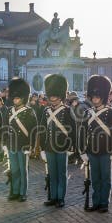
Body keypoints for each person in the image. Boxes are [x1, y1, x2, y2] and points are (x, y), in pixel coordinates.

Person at [84, 75, 112, 213]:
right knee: (95, 179)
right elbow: (84, 132)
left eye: (97, 97)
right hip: (92, 150)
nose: (95, 99)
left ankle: (104, 203)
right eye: (93, 97)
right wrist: (83, 150)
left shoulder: (110, 112)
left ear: (102, 97)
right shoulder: (88, 113)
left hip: (105, 150)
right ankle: (96, 201)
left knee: (105, 178)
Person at [41, 74, 76, 208]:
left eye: (55, 96)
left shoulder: (67, 111)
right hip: (49, 147)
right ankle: (53, 196)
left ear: (60, 96)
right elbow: (42, 130)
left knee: (61, 174)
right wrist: (42, 148)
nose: (53, 98)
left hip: (62, 147)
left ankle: (60, 198)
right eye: (51, 96)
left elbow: (72, 130)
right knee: (52, 173)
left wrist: (71, 147)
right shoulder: (46, 111)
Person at [5, 77, 37, 202]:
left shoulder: (29, 112)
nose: (15, 99)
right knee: (14, 170)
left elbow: (34, 130)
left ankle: (23, 192)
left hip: (24, 145)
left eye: (17, 98)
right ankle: (14, 191)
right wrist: (5, 143)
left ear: (23, 98)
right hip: (12, 144)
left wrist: (31, 146)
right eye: (14, 97)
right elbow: (5, 128)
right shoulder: (9, 111)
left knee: (23, 170)